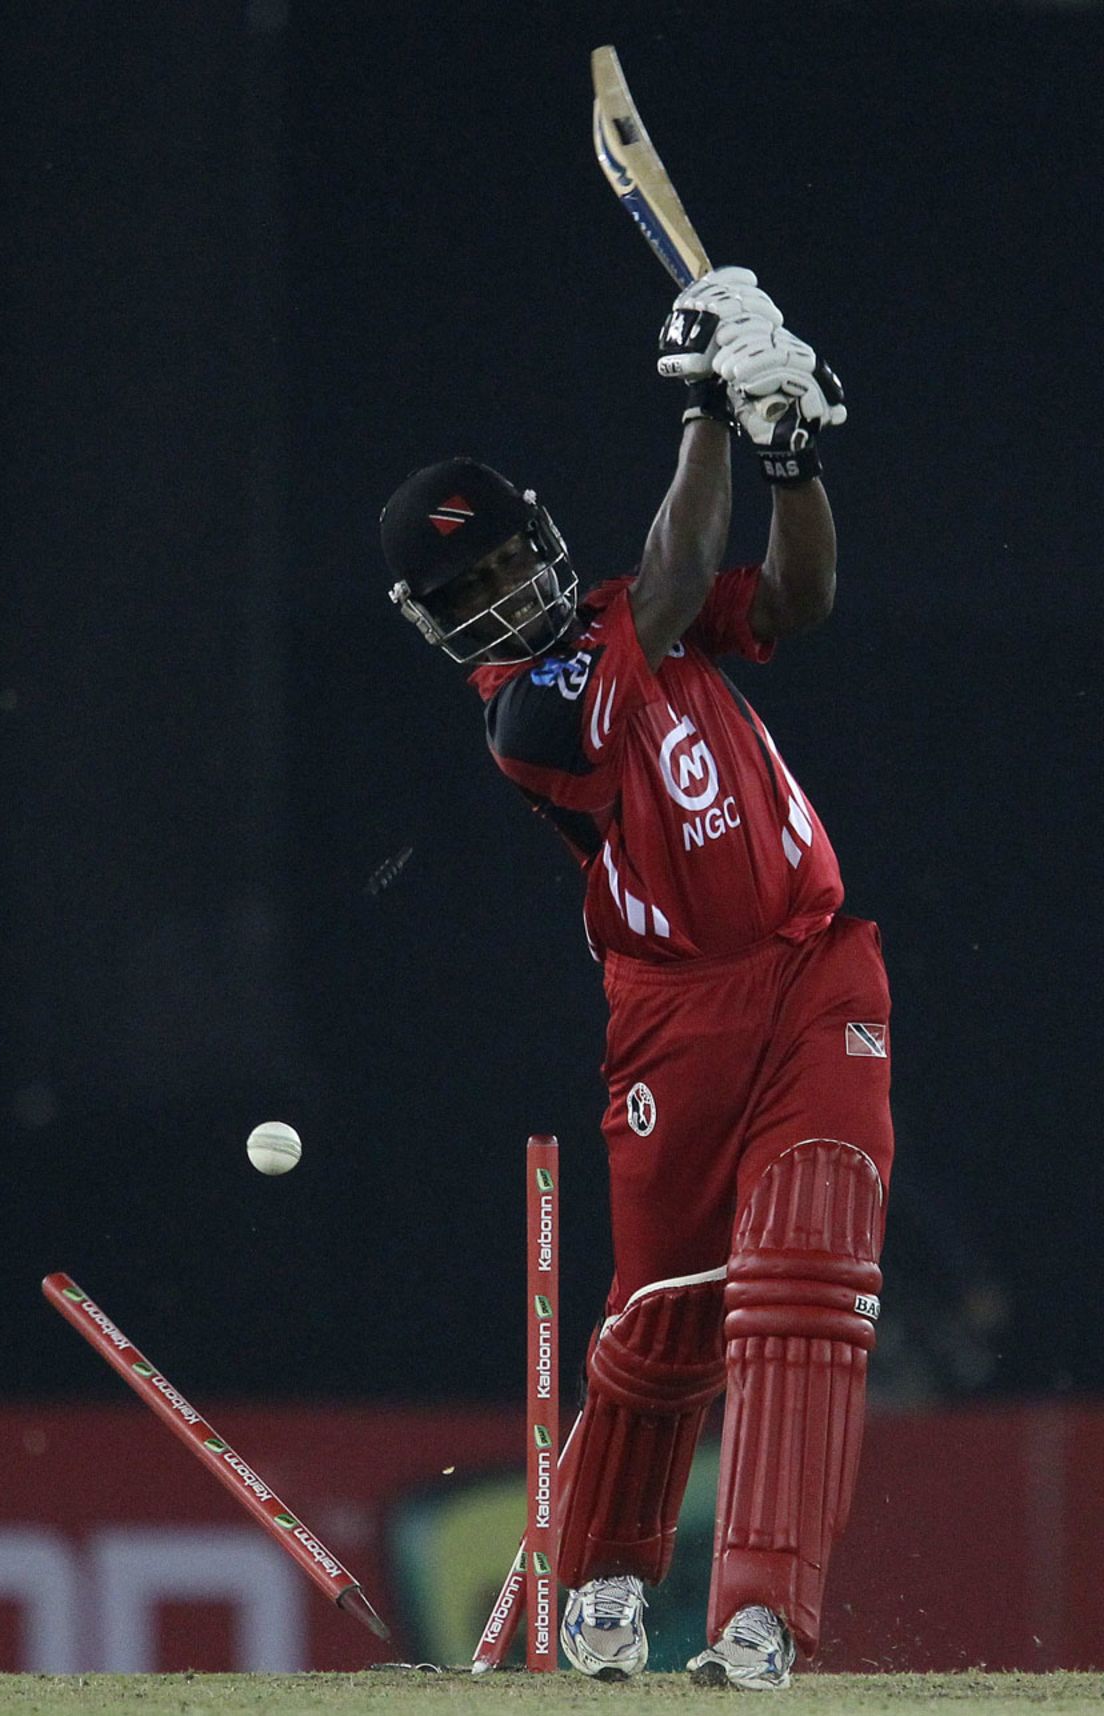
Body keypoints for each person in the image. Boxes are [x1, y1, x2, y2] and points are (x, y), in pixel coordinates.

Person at [380, 268, 894, 1688]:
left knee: (807, 1282)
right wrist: (705, 409)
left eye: (503, 565)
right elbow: (668, 591)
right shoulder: (527, 714)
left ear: (542, 539)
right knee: (663, 1325)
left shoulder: (624, 610)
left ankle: (761, 1617)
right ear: (441, 631)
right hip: (671, 1020)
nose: (499, 601)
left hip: (816, 971)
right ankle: (605, 1586)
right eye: (465, 595)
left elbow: (800, 591)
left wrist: (791, 452)